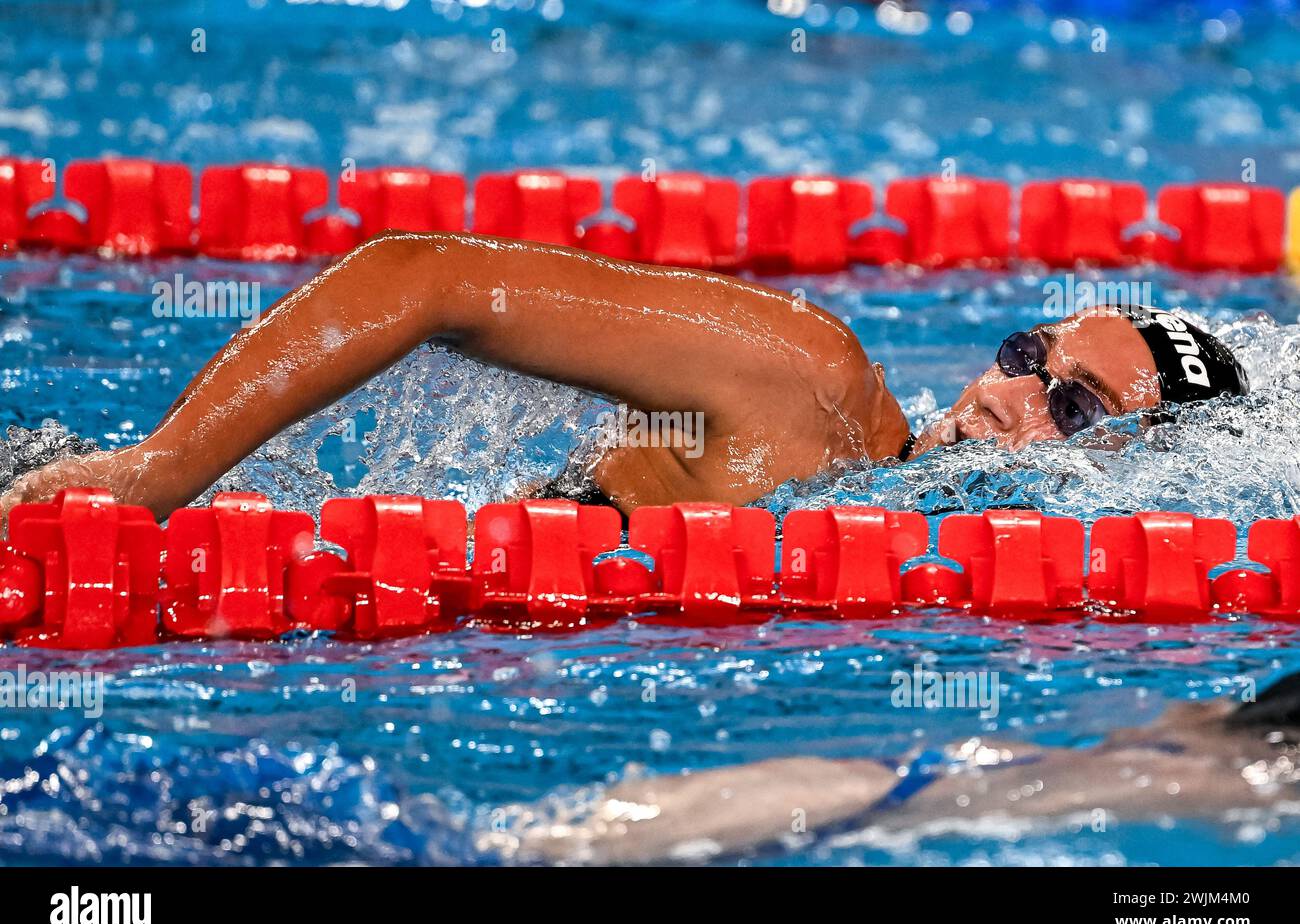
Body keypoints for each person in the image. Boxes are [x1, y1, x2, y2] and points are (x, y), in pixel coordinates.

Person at [0, 231, 1249, 521]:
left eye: (1072, 403)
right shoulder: (809, 386)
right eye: (1030, 354)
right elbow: (419, 275)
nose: (1011, 391)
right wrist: (158, 471)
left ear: (1134, 471)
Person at [495, 672, 1300, 865]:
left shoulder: (1205, 722)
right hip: (908, 802)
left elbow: (1196, 715)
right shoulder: (1246, 781)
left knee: (895, 787)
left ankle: (546, 839)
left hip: (938, 778)